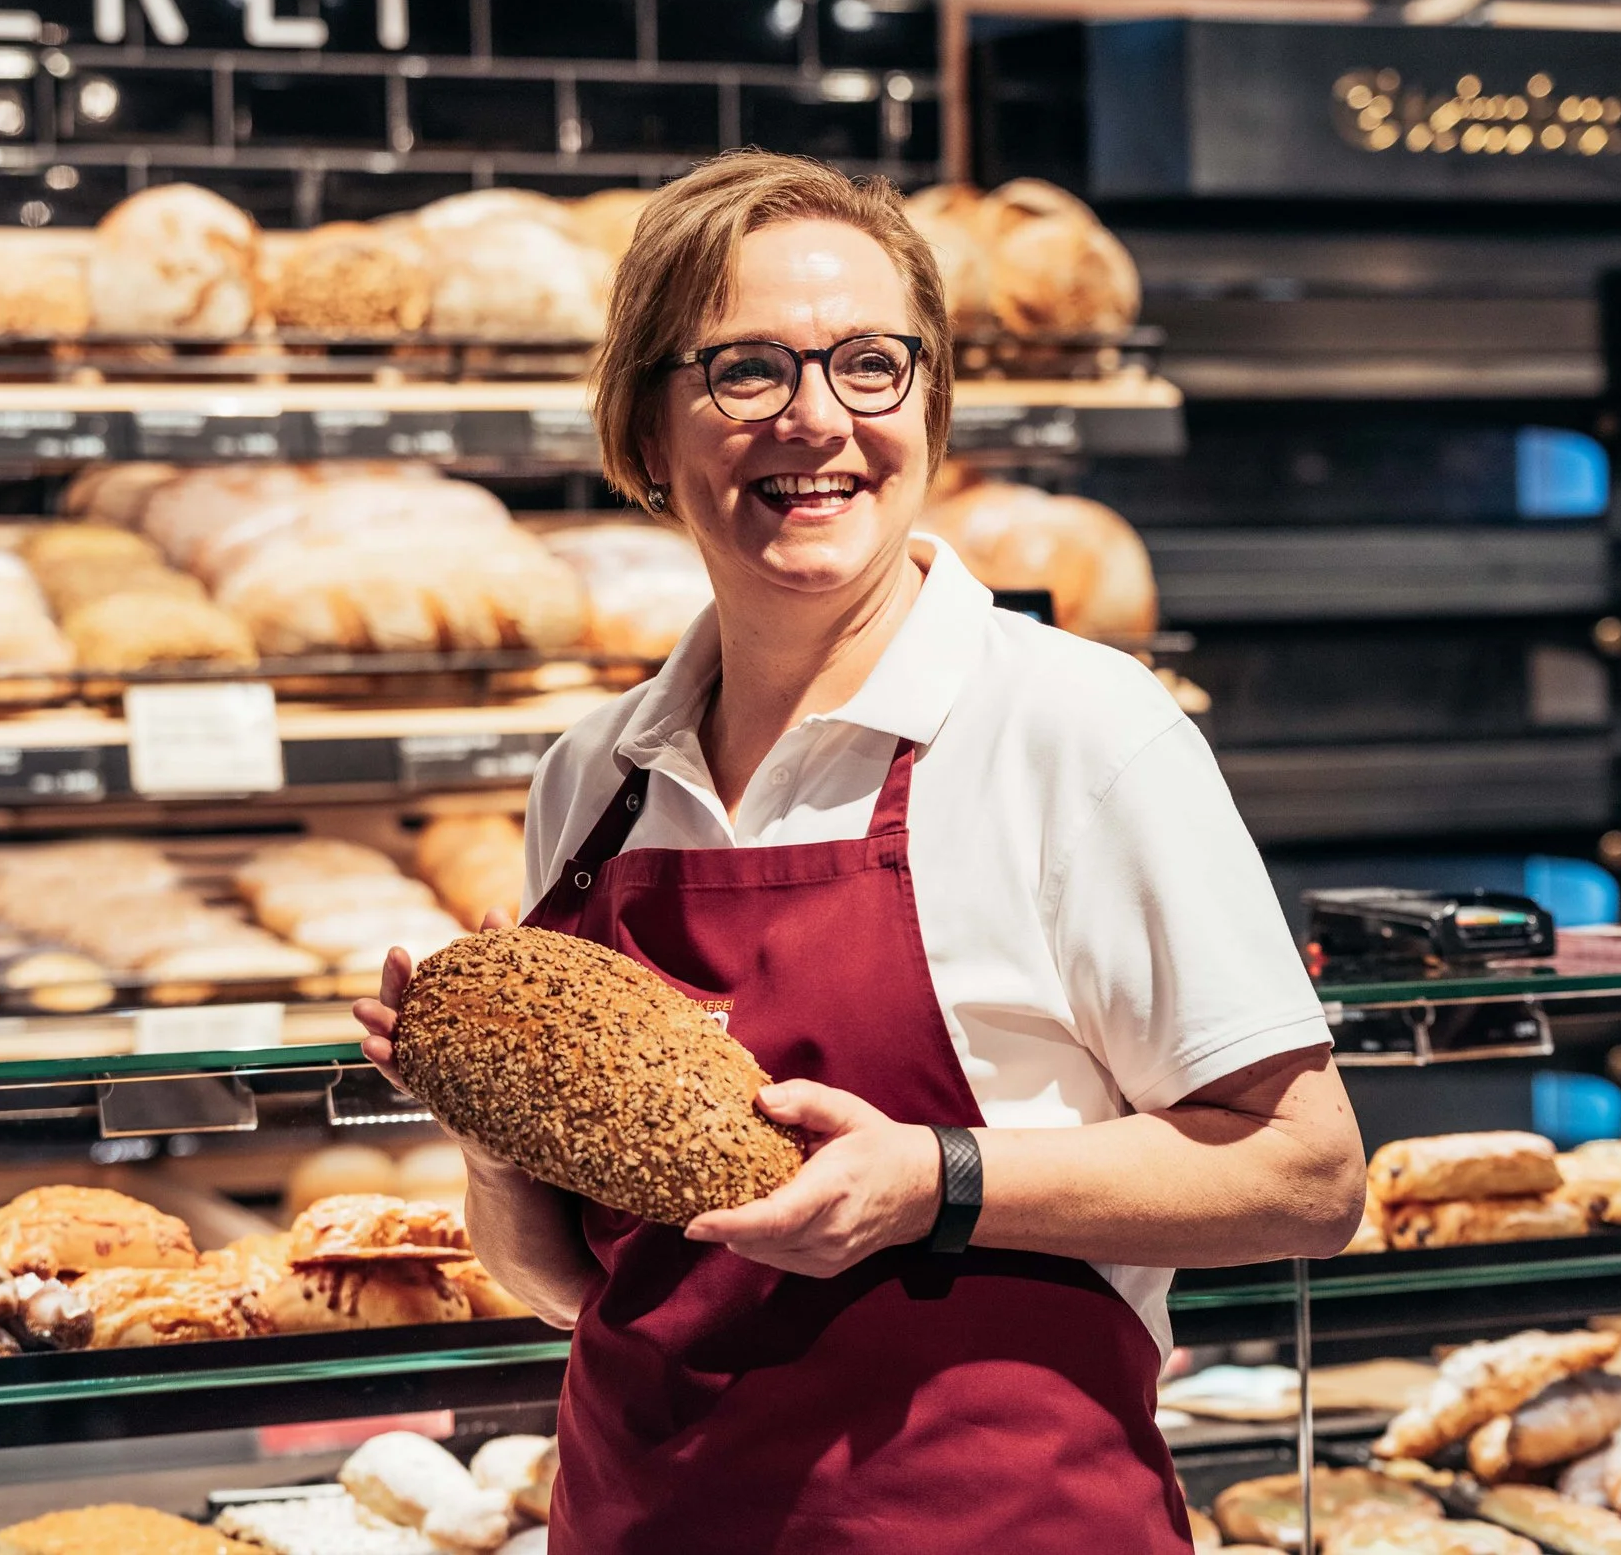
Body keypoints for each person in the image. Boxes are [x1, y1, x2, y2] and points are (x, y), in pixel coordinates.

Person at [356, 150, 1365, 1554]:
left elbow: (1307, 1176)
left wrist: (936, 1183)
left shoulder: (1074, 729)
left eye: (871, 366)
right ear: (648, 431)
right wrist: (484, 1131)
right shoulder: (596, 776)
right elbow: (573, 1286)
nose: (816, 419)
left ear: (932, 411)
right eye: (746, 370)